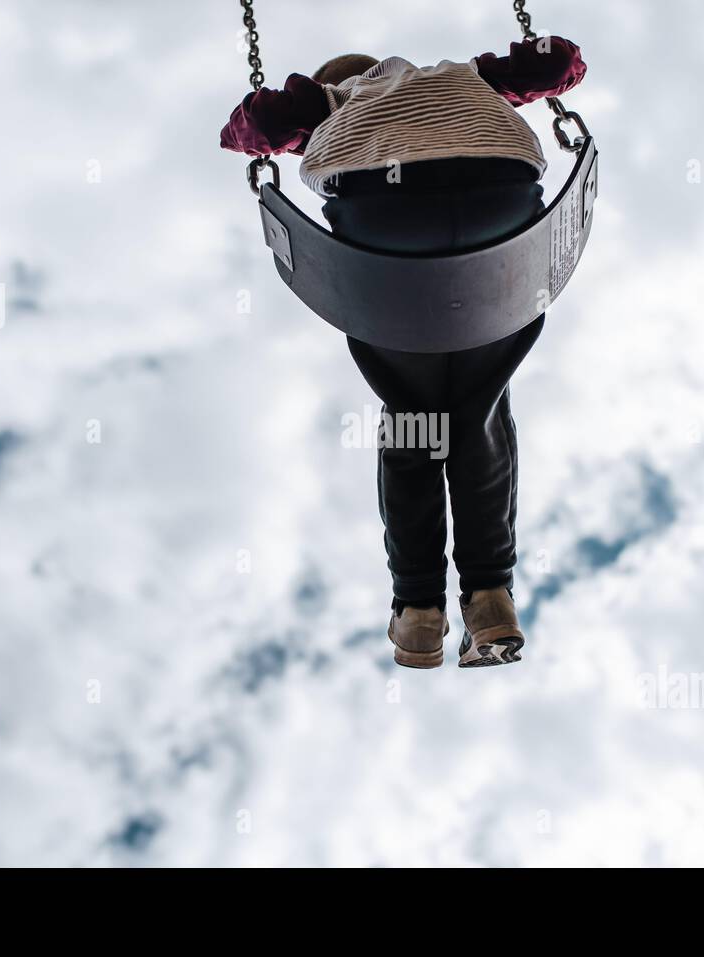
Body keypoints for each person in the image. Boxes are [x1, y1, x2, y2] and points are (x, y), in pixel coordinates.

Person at [220, 36, 586, 668]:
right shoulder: (469, 77)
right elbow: (561, 66)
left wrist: (275, 116)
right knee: (478, 409)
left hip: (388, 232)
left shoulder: (328, 101)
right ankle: (490, 594)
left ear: (331, 86)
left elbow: (247, 131)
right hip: (500, 214)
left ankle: (418, 607)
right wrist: (536, 63)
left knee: (416, 420)